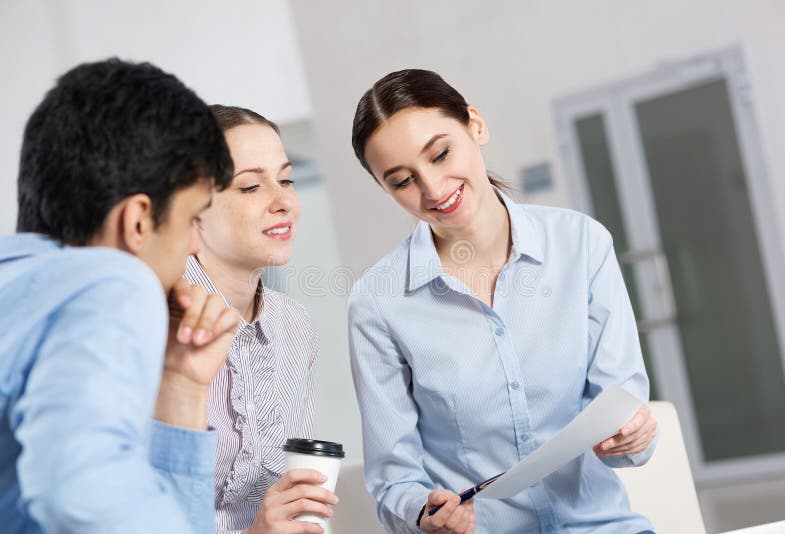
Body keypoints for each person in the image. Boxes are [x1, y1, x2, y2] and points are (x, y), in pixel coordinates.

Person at [348, 69, 659, 534]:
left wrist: (633, 434)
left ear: (475, 125)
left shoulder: (581, 244)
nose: (432, 189)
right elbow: (394, 480)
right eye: (401, 181)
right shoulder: (377, 303)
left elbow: (622, 405)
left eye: (441, 154)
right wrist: (424, 514)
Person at [0, 58, 241, 533]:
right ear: (137, 222)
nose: (195, 245)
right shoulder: (114, 280)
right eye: (194, 218)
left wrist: (182, 384)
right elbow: (78, 488)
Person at [187, 105, 336, 534]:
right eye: (250, 186)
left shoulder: (294, 325)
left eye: (286, 180)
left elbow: (296, 486)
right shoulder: (151, 324)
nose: (284, 201)